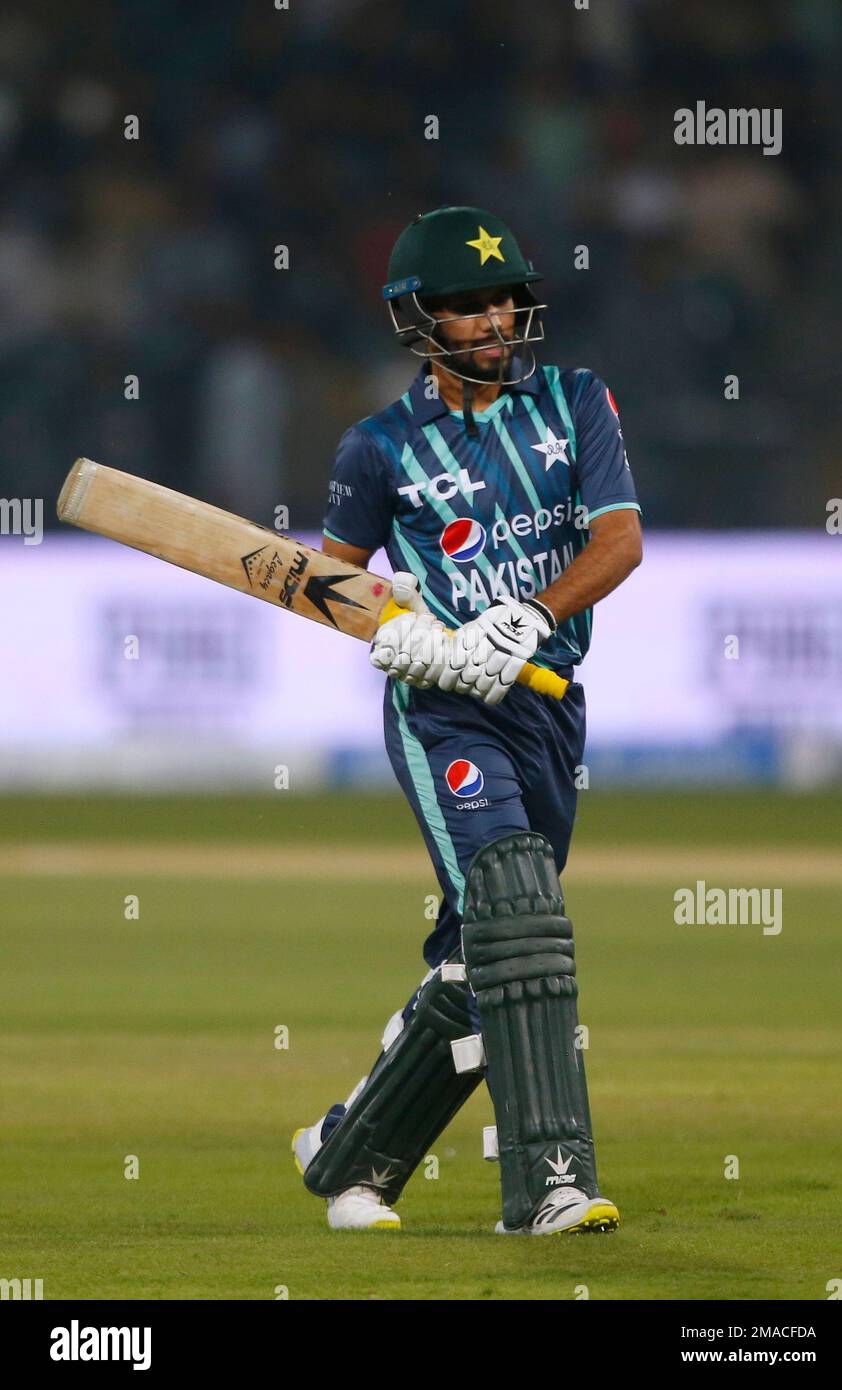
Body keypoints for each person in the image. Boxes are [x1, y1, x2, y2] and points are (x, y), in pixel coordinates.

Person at [292, 205, 642, 1234]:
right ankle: (546, 1182)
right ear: (418, 319)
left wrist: (527, 616)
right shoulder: (379, 445)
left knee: (476, 950)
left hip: (544, 708)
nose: (492, 318)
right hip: (443, 714)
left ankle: (350, 1150)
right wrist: (395, 628)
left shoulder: (576, 403)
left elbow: (618, 543)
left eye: (502, 298)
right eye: (464, 305)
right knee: (516, 909)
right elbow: (328, 583)